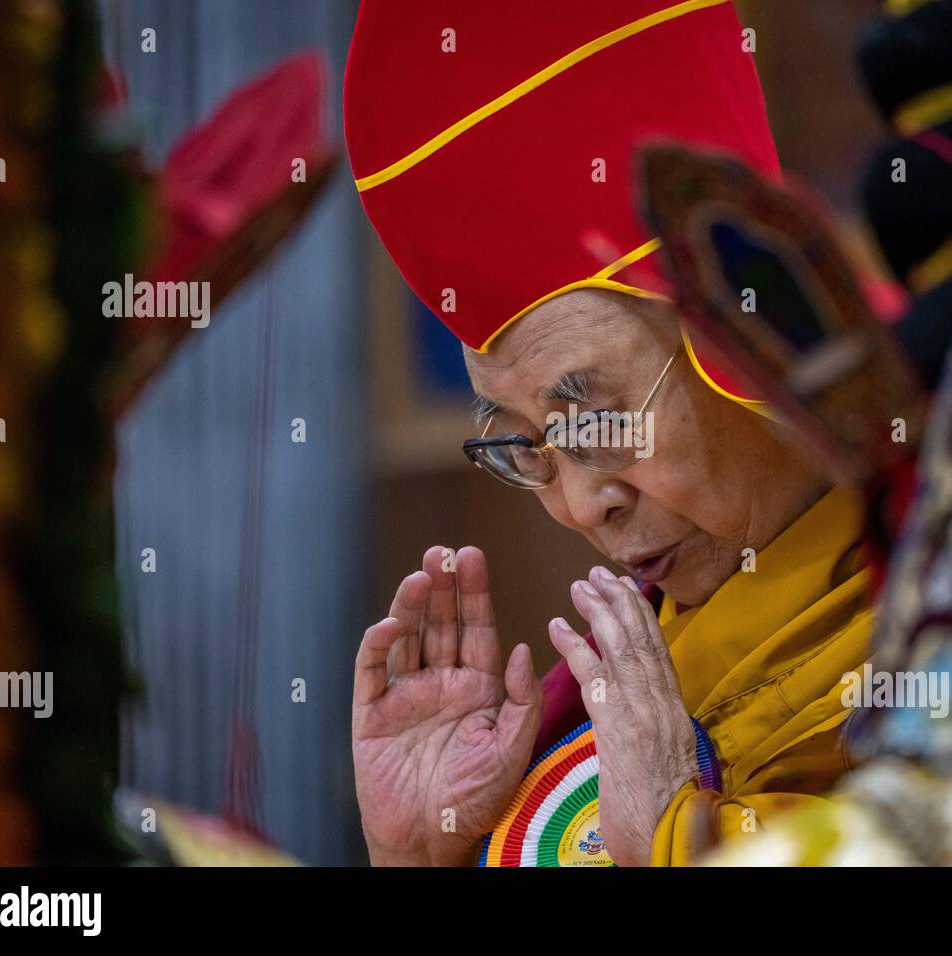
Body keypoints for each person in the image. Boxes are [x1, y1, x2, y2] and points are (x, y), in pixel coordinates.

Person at [343, 0, 874, 866]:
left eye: (592, 422)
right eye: (525, 447)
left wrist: (685, 842)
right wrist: (420, 852)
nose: (584, 505)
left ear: (737, 338)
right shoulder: (600, 706)